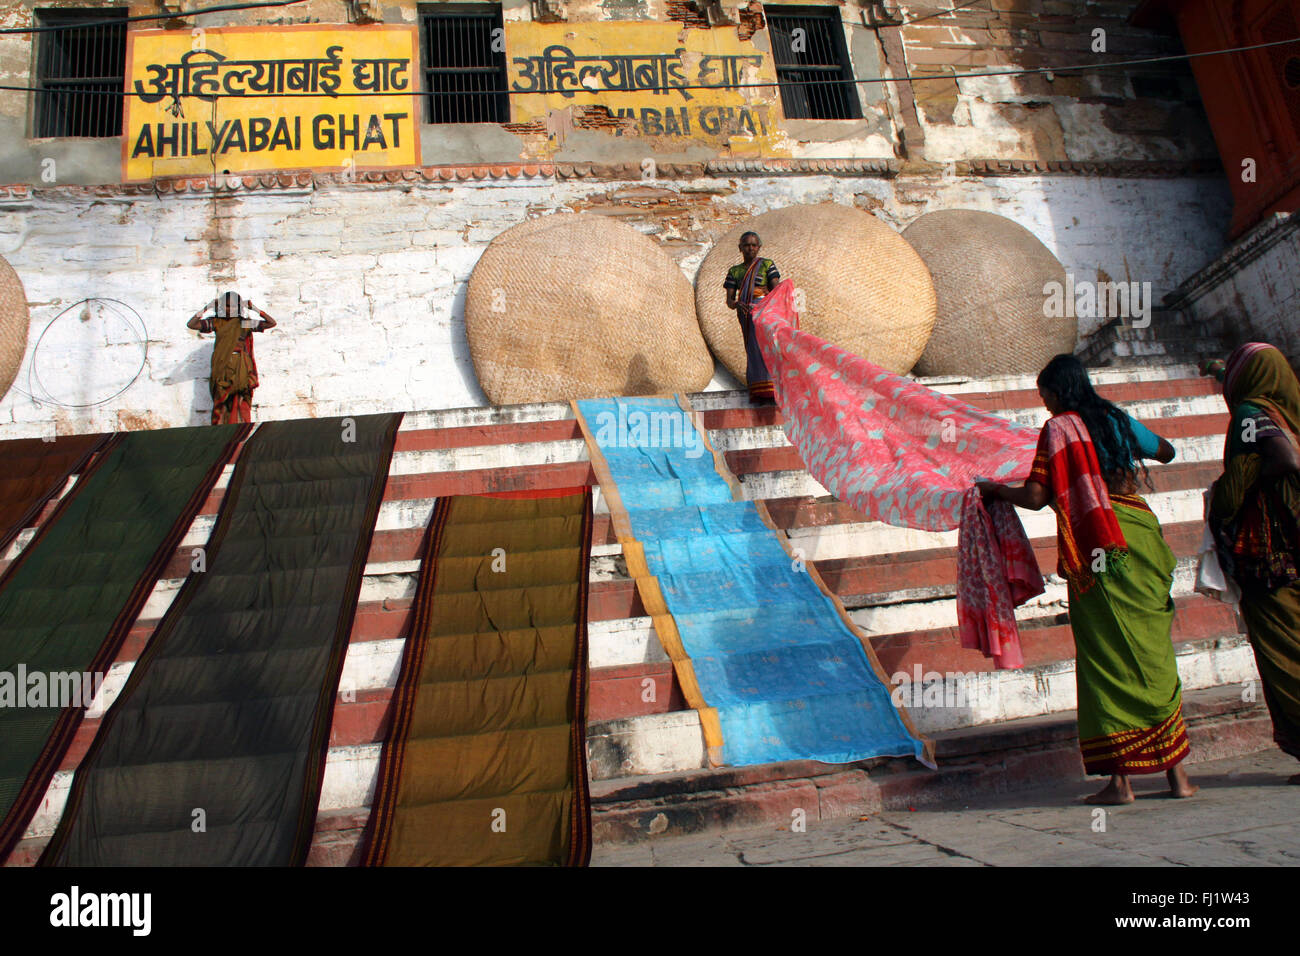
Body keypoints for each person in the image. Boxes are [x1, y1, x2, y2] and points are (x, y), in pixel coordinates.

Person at [977, 354, 1196, 804]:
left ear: (1057, 393)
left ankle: (1121, 783)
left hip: (1100, 550)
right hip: (1141, 537)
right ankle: (1180, 779)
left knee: (1107, 656)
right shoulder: (1114, 419)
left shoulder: (1059, 430)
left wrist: (994, 489)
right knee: (1153, 651)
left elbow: (1037, 497)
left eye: (1046, 397)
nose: (1045, 407)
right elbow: (1167, 451)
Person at [1204, 343, 1300, 783]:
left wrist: (1228, 489)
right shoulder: (1290, 408)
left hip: (1270, 554)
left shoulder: (1249, 411)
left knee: (1286, 651)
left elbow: (1282, 459)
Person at [186, 291, 277, 425]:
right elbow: (192, 324)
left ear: (239, 307)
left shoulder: (243, 323)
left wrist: (255, 309)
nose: (231, 309)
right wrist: (207, 307)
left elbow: (271, 323)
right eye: (227, 306)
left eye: (234, 306)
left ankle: (240, 435)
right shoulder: (217, 323)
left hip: (241, 370)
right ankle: (221, 437)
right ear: (222, 306)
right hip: (222, 371)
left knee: (240, 404)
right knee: (221, 405)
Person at [724, 231, 781, 405]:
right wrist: (737, 304)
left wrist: (765, 306)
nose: (750, 248)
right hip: (746, 314)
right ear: (740, 248)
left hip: (764, 312)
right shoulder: (734, 271)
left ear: (759, 247)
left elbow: (776, 292)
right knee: (753, 350)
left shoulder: (766, 265)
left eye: (753, 245)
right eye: (746, 245)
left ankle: (775, 389)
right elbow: (729, 300)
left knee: (768, 348)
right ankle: (759, 391)